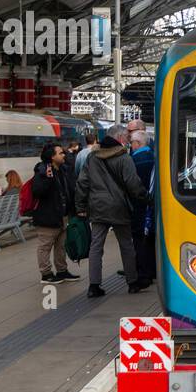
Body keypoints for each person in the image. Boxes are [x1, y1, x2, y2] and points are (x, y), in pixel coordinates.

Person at [76, 123, 149, 297]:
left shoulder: (92, 157)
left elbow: (82, 182)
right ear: (119, 138)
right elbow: (133, 184)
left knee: (96, 246)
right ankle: (132, 282)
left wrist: (80, 207)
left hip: (98, 207)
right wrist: (146, 198)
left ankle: (94, 286)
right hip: (119, 207)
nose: (127, 141)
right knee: (126, 244)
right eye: (125, 138)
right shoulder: (124, 158)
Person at [30, 142, 80, 284]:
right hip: (47, 216)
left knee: (61, 245)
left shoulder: (62, 169)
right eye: (60, 153)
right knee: (45, 246)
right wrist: (48, 179)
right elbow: (37, 191)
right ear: (52, 157)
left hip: (62, 215)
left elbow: (68, 190)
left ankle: (62, 271)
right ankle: (46, 274)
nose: (64, 155)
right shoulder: (42, 171)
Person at [129, 128, 158, 282]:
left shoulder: (136, 160)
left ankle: (143, 272)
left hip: (140, 203)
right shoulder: (153, 156)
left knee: (140, 239)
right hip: (152, 203)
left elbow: (133, 184)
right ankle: (152, 270)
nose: (131, 146)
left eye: (132, 143)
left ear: (138, 143)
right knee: (151, 237)